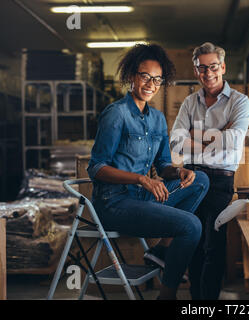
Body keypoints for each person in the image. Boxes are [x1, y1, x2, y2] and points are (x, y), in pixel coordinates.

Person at [87, 43, 210, 300]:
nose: (151, 84)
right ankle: (167, 294)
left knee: (200, 179)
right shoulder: (116, 114)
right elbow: (96, 168)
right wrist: (141, 179)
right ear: (131, 75)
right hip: (114, 202)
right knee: (191, 226)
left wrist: (178, 172)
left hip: (142, 199)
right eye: (145, 76)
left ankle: (162, 250)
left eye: (157, 79)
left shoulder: (156, 119)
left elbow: (163, 166)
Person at [170, 42, 249, 299]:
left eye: (213, 67)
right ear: (196, 71)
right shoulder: (189, 102)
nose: (208, 73)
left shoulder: (240, 101)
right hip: (191, 176)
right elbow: (175, 141)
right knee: (192, 240)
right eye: (202, 68)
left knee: (213, 245)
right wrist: (216, 137)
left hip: (220, 180)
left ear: (223, 67)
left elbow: (234, 140)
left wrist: (196, 137)